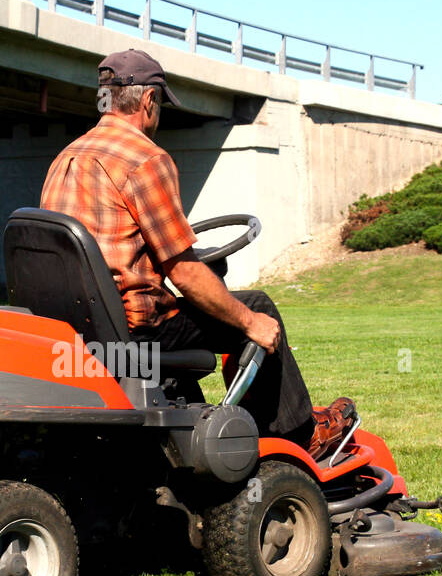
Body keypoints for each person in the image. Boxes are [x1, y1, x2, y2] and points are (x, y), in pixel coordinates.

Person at [39, 48, 355, 461]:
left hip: (77, 329)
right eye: (160, 106)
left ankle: (201, 422)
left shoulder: (66, 157)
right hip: (134, 332)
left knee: (214, 310)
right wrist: (250, 323)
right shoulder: (144, 159)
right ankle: (297, 437)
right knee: (257, 308)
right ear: (149, 101)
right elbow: (184, 271)